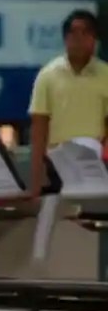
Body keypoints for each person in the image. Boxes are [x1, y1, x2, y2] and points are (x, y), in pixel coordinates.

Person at [27, 10, 108, 197]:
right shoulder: (48, 75)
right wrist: (35, 182)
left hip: (96, 161)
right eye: (73, 32)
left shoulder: (106, 75)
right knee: (64, 219)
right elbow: (39, 129)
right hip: (58, 162)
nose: (79, 38)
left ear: (94, 39)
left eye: (85, 32)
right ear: (65, 38)